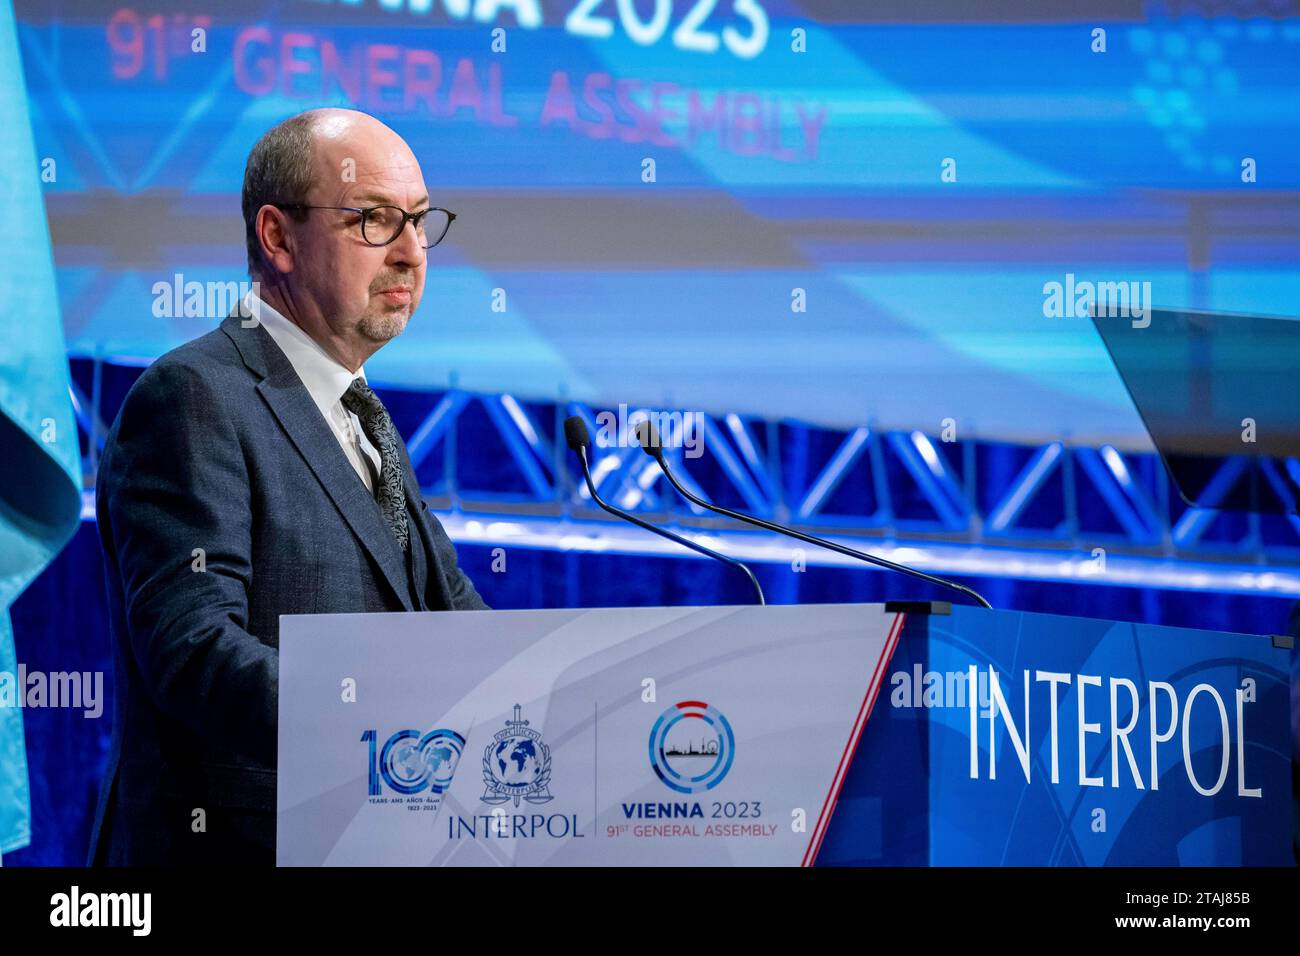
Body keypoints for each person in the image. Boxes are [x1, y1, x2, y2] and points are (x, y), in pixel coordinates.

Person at [88, 108, 487, 866]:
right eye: (374, 220)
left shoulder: (367, 422)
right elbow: (194, 650)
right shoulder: (193, 397)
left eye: (419, 221)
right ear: (277, 237)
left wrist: (565, 695)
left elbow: (462, 628)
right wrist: (385, 724)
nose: (411, 253)